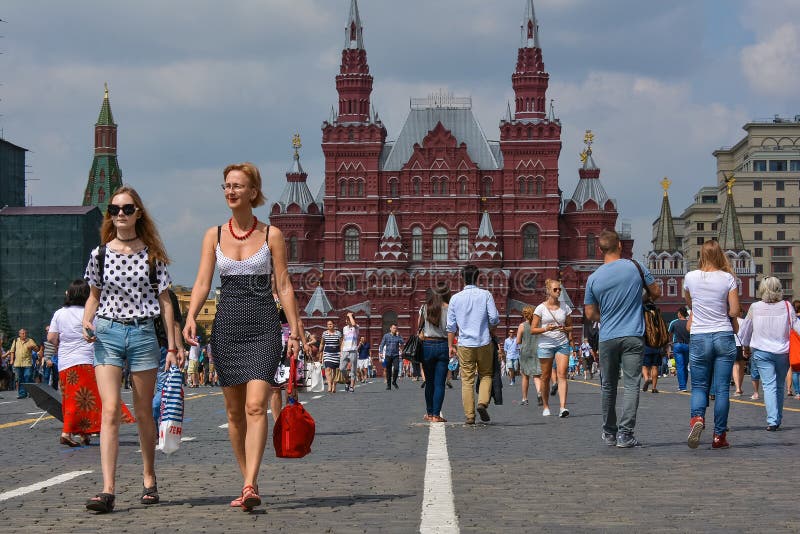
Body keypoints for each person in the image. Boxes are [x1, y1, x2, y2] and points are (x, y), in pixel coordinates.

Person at [183, 162, 303, 512]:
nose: (230, 191)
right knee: (234, 413)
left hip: (263, 325)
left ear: (253, 192)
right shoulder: (213, 235)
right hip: (228, 327)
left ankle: (250, 482)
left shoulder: (271, 235)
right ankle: (246, 479)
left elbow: (283, 285)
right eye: (226, 186)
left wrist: (295, 329)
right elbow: (203, 283)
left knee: (255, 406)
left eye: (237, 185)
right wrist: (190, 316)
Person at [82, 185, 181, 513]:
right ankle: (108, 489)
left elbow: (166, 303)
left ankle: (149, 478)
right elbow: (94, 296)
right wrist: (87, 321)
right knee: (110, 410)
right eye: (114, 209)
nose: (120, 215)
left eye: (127, 209)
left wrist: (171, 345)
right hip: (108, 332)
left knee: (142, 412)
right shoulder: (99, 255)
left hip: (142, 334)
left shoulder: (153, 256)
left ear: (138, 213)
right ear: (109, 215)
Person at [584, 229, 660, 448]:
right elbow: (656, 292)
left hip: (607, 337)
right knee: (631, 384)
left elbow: (589, 314)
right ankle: (625, 435)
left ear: (600, 250)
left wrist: (606, 316)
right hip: (633, 335)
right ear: (619, 246)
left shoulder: (593, 278)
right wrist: (639, 299)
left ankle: (609, 432)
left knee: (608, 385)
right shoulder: (635, 267)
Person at [49, 280, 135, 448]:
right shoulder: (91, 314)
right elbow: (99, 335)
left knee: (71, 398)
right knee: (91, 399)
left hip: (65, 362)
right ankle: (66, 433)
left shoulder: (59, 313)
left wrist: (62, 343)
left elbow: (51, 338)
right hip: (87, 360)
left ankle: (83, 434)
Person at [684, 240, 740, 450]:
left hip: (699, 336)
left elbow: (690, 304)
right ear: (720, 255)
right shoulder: (728, 278)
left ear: (701, 255)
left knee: (699, 386)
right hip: (723, 335)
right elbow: (734, 311)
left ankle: (697, 418)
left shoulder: (690, 277)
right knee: (722, 389)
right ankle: (719, 436)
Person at [740, 277, 800, 431]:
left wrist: (745, 347)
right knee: (779, 385)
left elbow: (745, 330)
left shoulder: (755, 307)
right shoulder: (787, 306)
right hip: (782, 352)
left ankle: (773, 420)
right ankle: (776, 418)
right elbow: (797, 326)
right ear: (779, 289)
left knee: (769, 386)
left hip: (761, 351)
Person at [447, 264, 500, 424]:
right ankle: (482, 402)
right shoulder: (486, 295)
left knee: (467, 380)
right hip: (484, 342)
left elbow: (451, 326)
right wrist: (490, 328)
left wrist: (450, 346)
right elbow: (494, 319)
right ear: (478, 277)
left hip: (464, 345)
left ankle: (470, 416)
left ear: (462, 278)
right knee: (486, 374)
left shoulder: (455, 298)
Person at [531, 279, 573, 418]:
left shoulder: (565, 307)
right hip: (546, 345)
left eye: (559, 289)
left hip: (562, 343)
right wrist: (545, 328)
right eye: (555, 289)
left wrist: (564, 328)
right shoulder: (540, 308)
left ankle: (563, 407)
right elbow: (533, 329)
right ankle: (546, 406)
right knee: (546, 377)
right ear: (548, 291)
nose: (559, 291)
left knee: (562, 374)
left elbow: (570, 326)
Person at [419, 286, 451, 422]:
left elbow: (419, 328)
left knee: (429, 382)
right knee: (440, 383)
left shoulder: (424, 308)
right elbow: (452, 329)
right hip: (443, 345)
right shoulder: (449, 308)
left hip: (427, 345)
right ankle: (436, 415)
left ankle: (429, 413)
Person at [516, 306, 542, 406]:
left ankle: (524, 399)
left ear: (524, 314)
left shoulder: (522, 326)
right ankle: (539, 393)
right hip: (537, 351)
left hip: (525, 352)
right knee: (536, 375)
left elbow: (518, 341)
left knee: (525, 376)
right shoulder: (538, 325)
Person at [4, 329, 39, 399]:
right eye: (22, 333)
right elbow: (12, 351)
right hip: (18, 363)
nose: (24, 335)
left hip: (27, 362)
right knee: (20, 378)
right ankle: (22, 394)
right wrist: (11, 360)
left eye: (25, 333)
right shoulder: (16, 341)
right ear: (19, 334)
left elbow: (37, 349)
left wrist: (33, 347)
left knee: (27, 376)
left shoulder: (30, 340)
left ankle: (31, 391)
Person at [668, 307, 690, 392]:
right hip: (688, 345)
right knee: (685, 366)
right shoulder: (689, 322)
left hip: (677, 345)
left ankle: (682, 386)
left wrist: (670, 343)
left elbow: (669, 333)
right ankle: (684, 384)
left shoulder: (674, 322)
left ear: (680, 313)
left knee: (680, 366)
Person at [320, 320, 343, 393]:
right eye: (328, 324)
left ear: (334, 325)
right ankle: (329, 384)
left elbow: (341, 343)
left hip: (336, 353)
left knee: (335, 370)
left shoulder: (338, 333)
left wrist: (341, 352)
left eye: (331, 324)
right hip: (327, 353)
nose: (329, 325)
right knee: (328, 368)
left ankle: (334, 385)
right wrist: (320, 351)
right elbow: (322, 343)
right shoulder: (324, 333)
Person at [379, 324, 403, 390]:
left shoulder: (398, 336)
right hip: (388, 355)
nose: (395, 329)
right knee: (388, 370)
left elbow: (402, 342)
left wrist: (398, 336)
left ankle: (394, 381)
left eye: (395, 328)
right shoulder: (386, 336)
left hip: (396, 355)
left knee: (396, 368)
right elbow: (382, 344)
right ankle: (388, 385)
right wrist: (380, 352)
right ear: (390, 328)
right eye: (393, 328)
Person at [341, 313, 359, 393]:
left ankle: (352, 386)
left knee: (353, 369)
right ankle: (347, 381)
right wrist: (341, 350)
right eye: (346, 319)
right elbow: (344, 339)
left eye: (347, 320)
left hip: (353, 350)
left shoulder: (356, 327)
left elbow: (354, 323)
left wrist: (350, 315)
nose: (346, 321)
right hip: (345, 350)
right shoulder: (345, 328)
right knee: (342, 368)